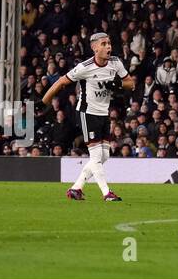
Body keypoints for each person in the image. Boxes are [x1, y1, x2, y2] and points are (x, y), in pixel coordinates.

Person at [40, 32, 135, 202]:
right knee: (96, 156)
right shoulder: (84, 67)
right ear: (94, 48)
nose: (108, 47)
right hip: (87, 113)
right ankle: (107, 193)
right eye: (104, 44)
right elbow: (61, 81)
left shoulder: (115, 63)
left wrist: (118, 83)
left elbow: (131, 83)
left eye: (109, 43)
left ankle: (76, 188)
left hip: (103, 114)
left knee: (104, 156)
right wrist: (44, 101)